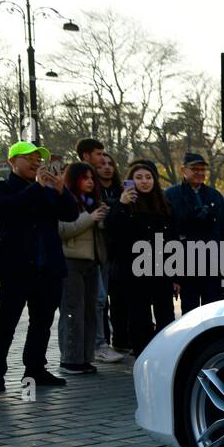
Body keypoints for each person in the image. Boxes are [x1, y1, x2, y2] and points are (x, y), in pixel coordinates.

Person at [0, 141, 80, 393]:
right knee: (6, 322)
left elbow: (71, 214)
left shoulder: (49, 190)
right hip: (14, 268)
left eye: (39, 159)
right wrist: (38, 187)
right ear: (12, 162)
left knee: (42, 322)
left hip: (48, 267)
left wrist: (62, 191)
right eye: (30, 158)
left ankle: (35, 370)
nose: (37, 163)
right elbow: (5, 209)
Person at [107, 159, 178, 357]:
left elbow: (173, 240)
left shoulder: (164, 204)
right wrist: (122, 204)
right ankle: (143, 355)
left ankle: (166, 352)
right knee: (139, 317)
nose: (144, 181)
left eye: (148, 177)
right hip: (134, 271)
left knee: (166, 314)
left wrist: (176, 275)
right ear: (131, 181)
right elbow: (113, 229)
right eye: (138, 178)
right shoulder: (123, 205)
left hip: (161, 269)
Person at [57, 162, 109, 374]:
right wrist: (91, 218)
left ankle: (86, 358)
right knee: (72, 312)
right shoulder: (64, 200)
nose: (89, 181)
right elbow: (62, 230)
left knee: (90, 313)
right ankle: (70, 360)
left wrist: (102, 219)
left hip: (92, 262)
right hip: (71, 262)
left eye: (91, 178)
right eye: (84, 177)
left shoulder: (93, 202)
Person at [165, 152, 224, 311]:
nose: (200, 173)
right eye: (195, 169)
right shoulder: (171, 196)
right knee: (190, 313)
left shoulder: (215, 196)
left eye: (202, 169)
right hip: (186, 267)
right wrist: (173, 274)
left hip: (213, 266)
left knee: (214, 312)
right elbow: (168, 235)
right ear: (183, 170)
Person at [92, 152, 129, 362]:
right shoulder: (93, 190)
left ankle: (121, 340)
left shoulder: (122, 189)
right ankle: (101, 343)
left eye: (110, 164)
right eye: (102, 164)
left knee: (118, 298)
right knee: (100, 299)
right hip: (98, 250)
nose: (107, 168)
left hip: (118, 251)